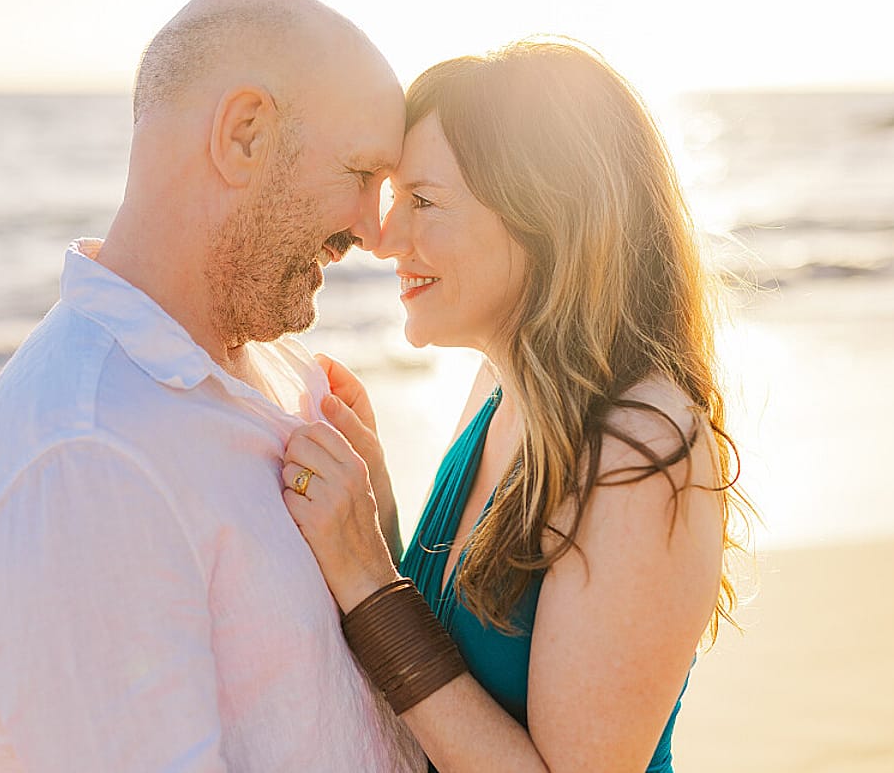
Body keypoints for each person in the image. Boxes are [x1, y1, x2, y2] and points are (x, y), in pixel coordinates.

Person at [0, 0, 424, 771]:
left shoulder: (288, 375)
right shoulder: (83, 454)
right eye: (361, 173)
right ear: (244, 136)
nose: (376, 230)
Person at [281, 39, 751, 772]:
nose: (383, 238)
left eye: (422, 201)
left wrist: (366, 577)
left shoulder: (641, 447)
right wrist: (376, 512)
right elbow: (451, 665)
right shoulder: (500, 386)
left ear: (547, 216)